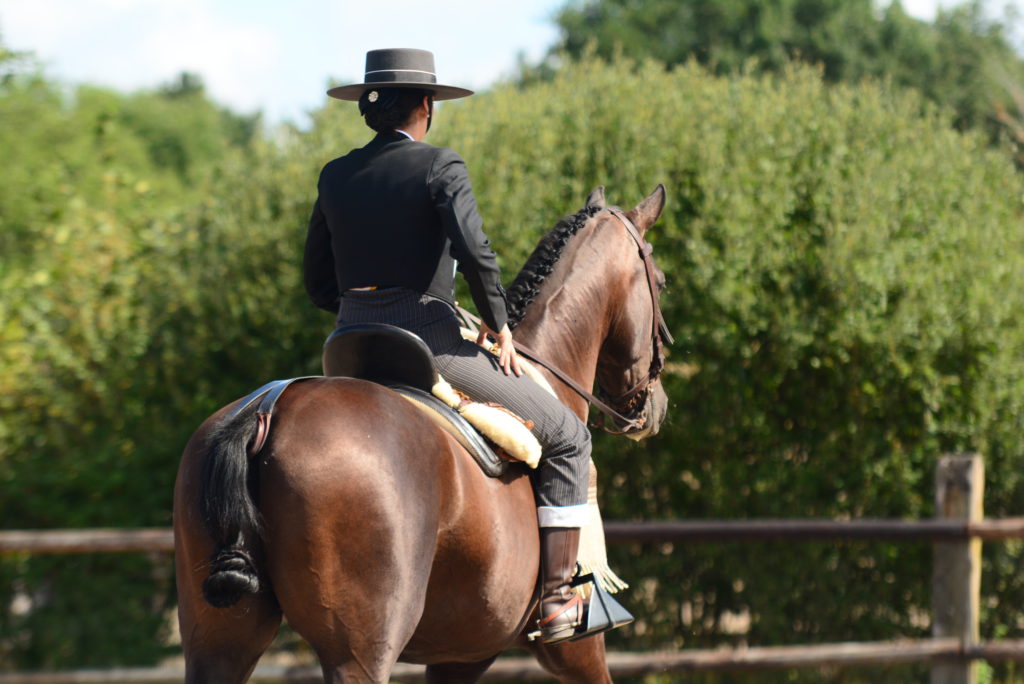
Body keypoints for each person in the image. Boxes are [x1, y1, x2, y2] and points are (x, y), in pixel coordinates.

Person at [303, 48, 592, 643]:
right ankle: (560, 600)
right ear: (428, 107)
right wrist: (500, 324)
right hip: (429, 340)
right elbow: (476, 253)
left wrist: (363, 305)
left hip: (349, 341)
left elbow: (317, 282)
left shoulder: (335, 174)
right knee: (569, 435)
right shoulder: (441, 166)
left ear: (369, 107)